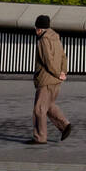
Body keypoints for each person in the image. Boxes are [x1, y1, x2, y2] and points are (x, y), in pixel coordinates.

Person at [30, 14, 72, 144]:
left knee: (39, 109)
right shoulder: (56, 38)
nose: (36, 31)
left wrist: (56, 73)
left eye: (36, 28)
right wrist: (63, 72)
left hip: (46, 79)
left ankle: (40, 138)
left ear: (40, 29)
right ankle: (64, 126)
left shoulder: (43, 40)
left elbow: (47, 60)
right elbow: (63, 56)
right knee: (48, 106)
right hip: (55, 81)